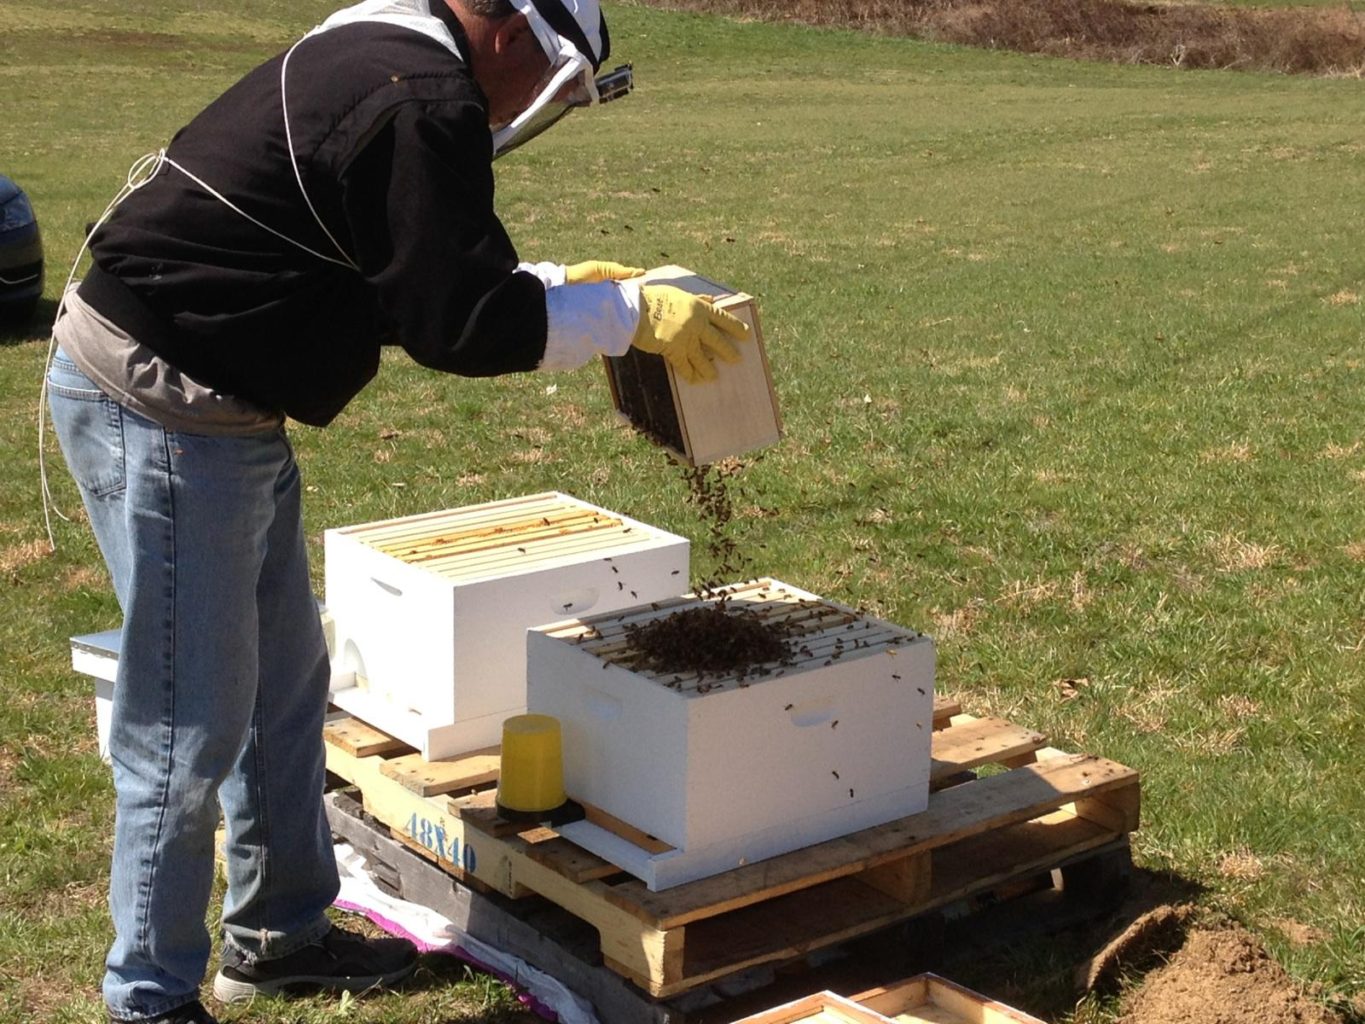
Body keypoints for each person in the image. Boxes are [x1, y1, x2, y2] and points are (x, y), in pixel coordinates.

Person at [44, 0, 750, 1021]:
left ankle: (277, 936)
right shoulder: (420, 96)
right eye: (555, 89)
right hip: (164, 404)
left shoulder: (388, 58)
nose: (535, 110)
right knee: (189, 722)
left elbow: (404, 263)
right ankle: (146, 1000)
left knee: (285, 685)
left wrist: (559, 284)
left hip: (224, 401)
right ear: (514, 39)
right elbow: (458, 324)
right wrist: (624, 314)